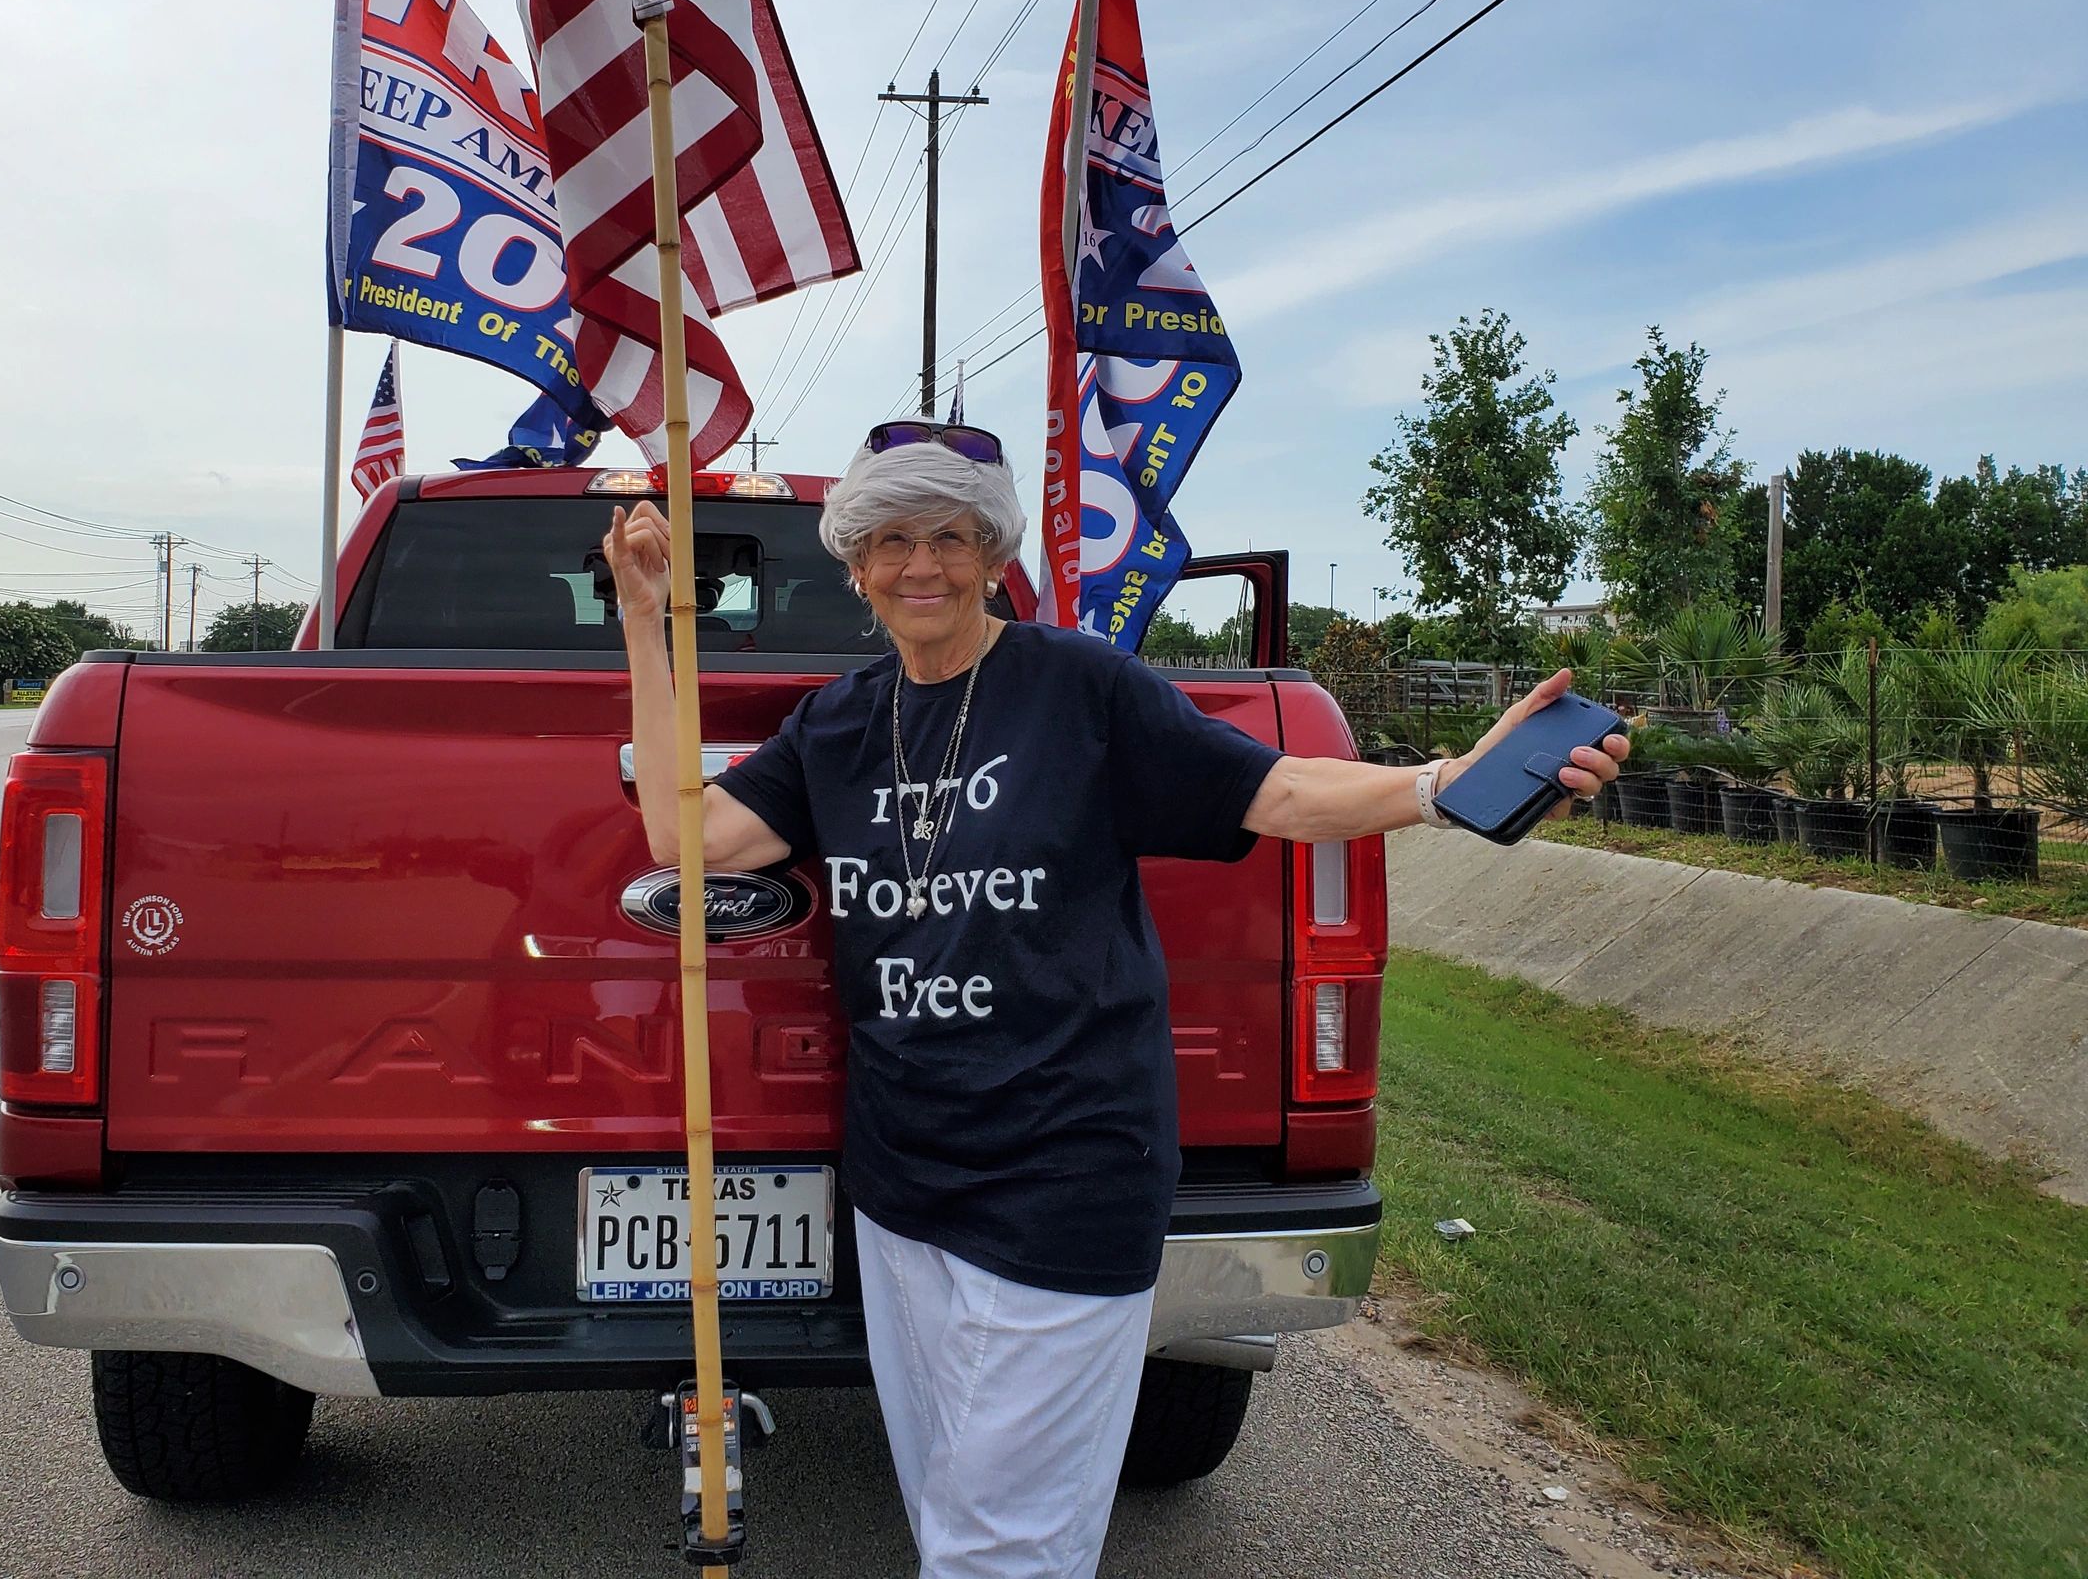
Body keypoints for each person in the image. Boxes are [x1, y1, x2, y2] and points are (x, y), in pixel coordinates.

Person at [603, 418, 1629, 1579]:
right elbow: (689, 835)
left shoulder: (1078, 689)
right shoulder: (840, 720)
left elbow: (1280, 789)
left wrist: (1444, 786)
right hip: (900, 1181)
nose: (921, 564)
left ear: (993, 553)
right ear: (856, 565)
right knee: (946, 1501)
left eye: (950, 535)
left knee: (1007, 1548)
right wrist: (646, 623)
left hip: (1064, 1168)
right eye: (891, 538)